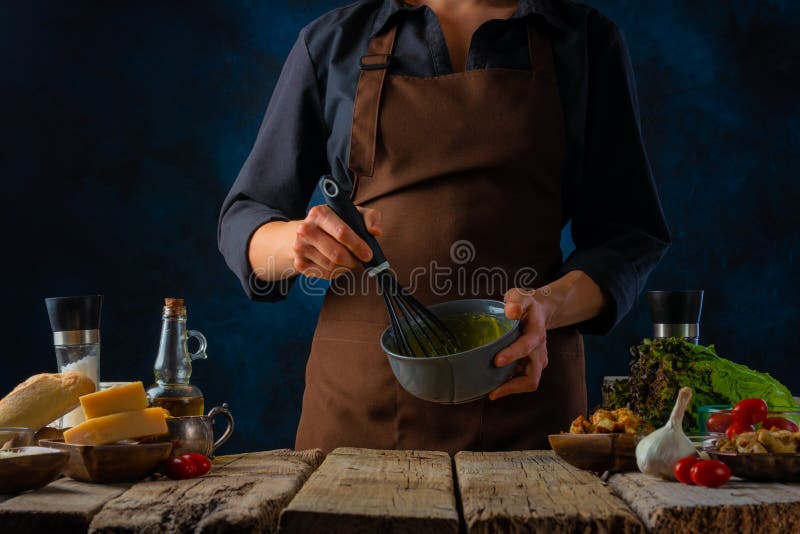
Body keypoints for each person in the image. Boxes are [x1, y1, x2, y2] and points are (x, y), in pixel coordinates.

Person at [218, 0, 670, 454]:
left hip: (526, 408)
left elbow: (629, 236)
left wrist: (548, 305)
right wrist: (296, 243)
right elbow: (245, 217)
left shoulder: (585, 41)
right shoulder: (333, 42)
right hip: (358, 417)